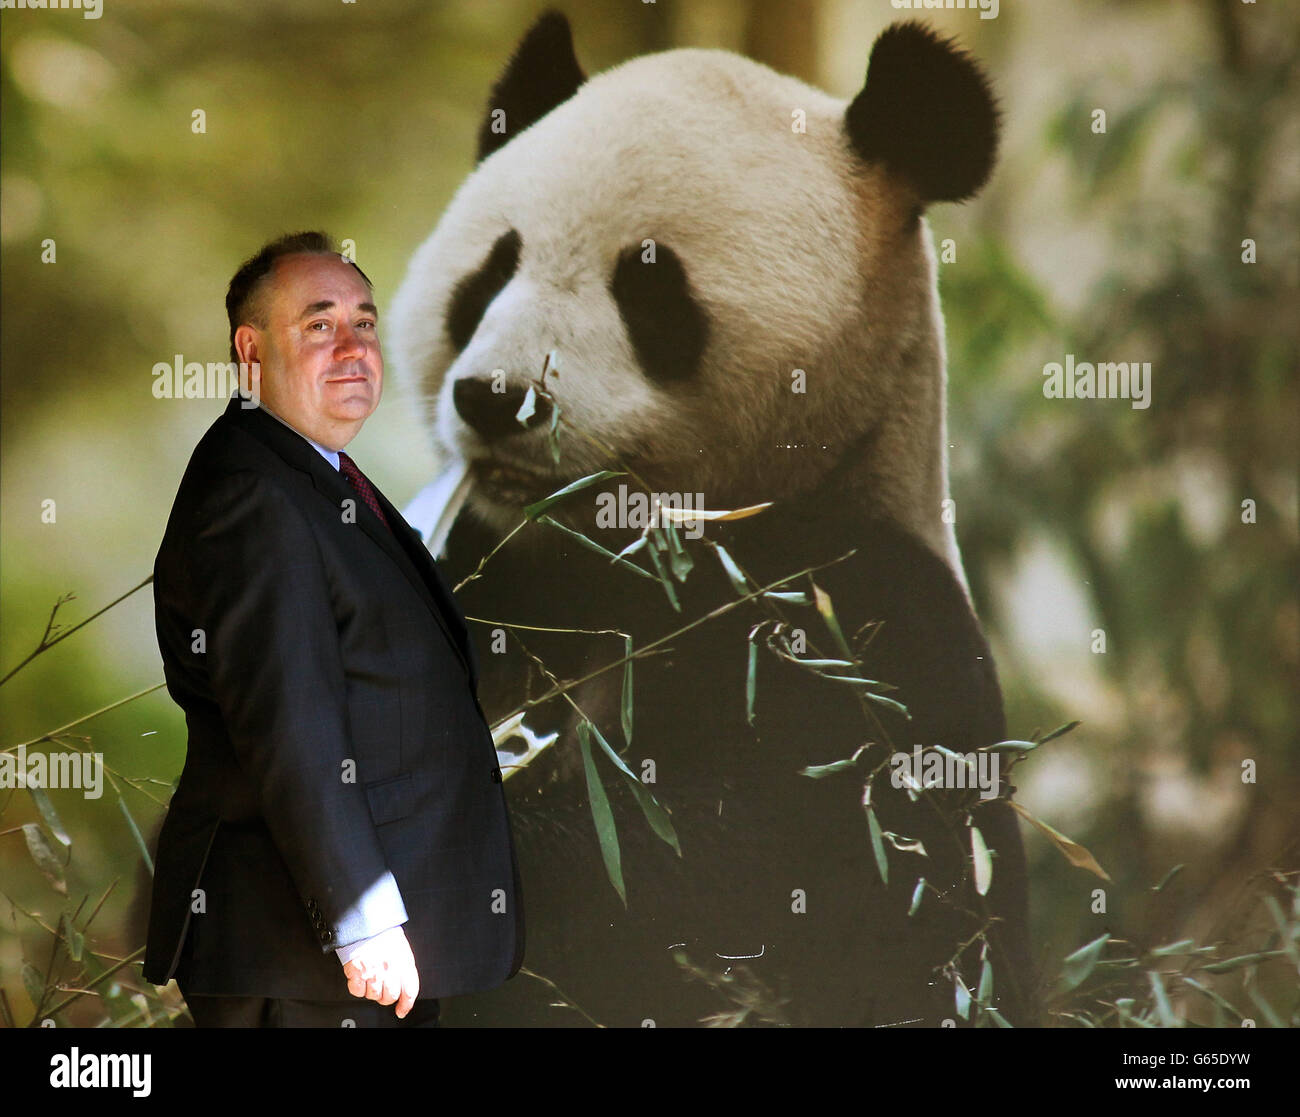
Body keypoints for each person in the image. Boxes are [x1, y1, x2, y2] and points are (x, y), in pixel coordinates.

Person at [141, 231, 523, 1027]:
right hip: (308, 955)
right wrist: (365, 919)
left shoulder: (307, 472)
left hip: (344, 956)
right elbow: (291, 725)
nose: (354, 347)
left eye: (366, 323)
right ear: (251, 351)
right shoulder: (255, 494)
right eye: (319, 325)